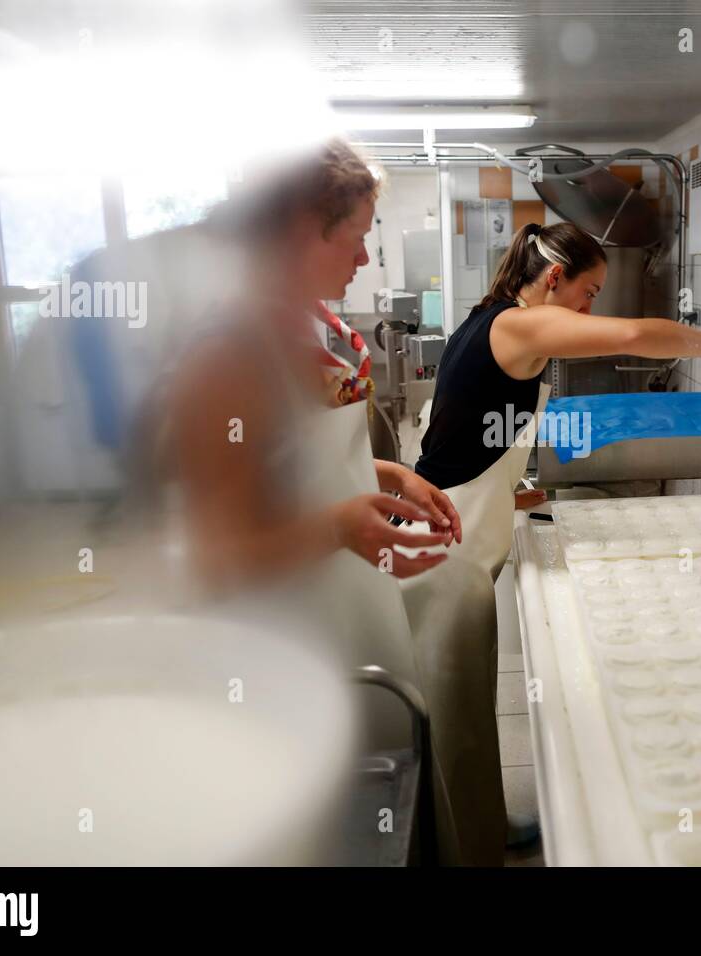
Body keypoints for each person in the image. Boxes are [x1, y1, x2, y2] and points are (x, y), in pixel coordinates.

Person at [164, 138, 509, 864]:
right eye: (353, 237)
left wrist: (384, 475)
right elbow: (215, 554)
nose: (363, 257)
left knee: (385, 790)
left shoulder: (304, 327)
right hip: (286, 633)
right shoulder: (224, 355)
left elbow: (290, 461)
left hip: (348, 606)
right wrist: (341, 523)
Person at [413, 221, 701, 566]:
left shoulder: (490, 316)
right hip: (445, 531)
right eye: (589, 293)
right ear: (554, 276)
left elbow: (464, 438)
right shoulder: (517, 325)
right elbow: (635, 336)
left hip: (451, 515)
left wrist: (497, 496)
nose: (588, 310)